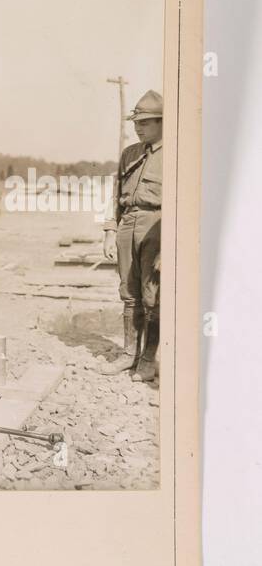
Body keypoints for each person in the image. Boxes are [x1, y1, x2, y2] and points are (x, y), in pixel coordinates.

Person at [100, 90, 162, 382]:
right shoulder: (130, 154)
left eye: (146, 122)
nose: (138, 127)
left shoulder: (176, 156)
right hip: (128, 224)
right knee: (129, 294)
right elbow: (115, 196)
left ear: (163, 123)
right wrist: (110, 232)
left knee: (153, 297)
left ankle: (148, 360)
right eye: (136, 122)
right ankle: (129, 355)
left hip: (158, 225)